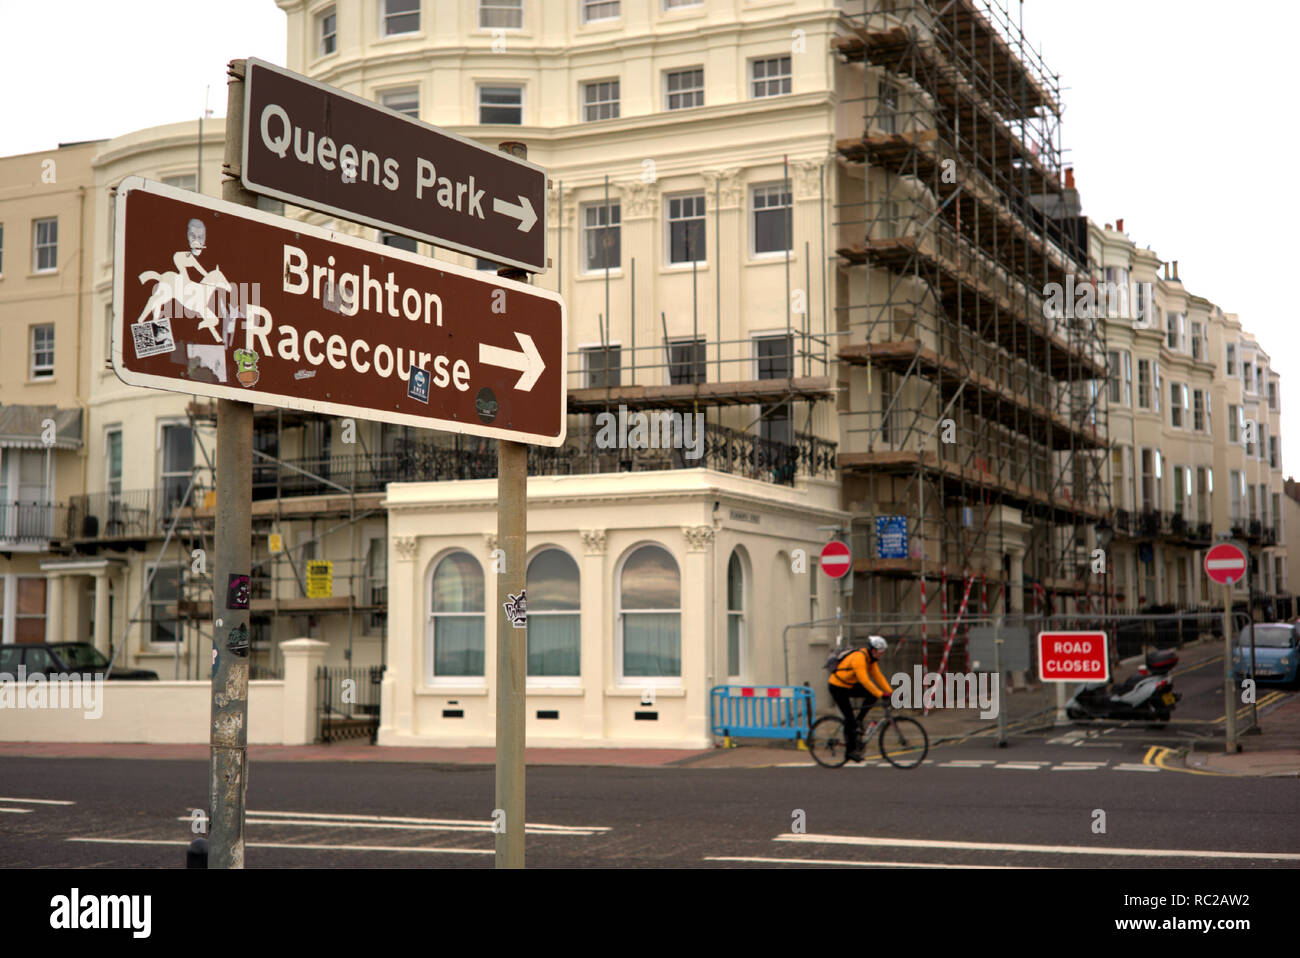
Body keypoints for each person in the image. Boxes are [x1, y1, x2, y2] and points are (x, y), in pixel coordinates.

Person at [827, 635, 893, 761]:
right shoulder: (859, 658)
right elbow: (864, 680)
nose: (882, 655)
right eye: (881, 652)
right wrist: (881, 694)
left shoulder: (870, 659)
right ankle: (850, 751)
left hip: (848, 685)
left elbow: (878, 677)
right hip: (837, 687)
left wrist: (891, 692)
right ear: (873, 650)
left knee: (871, 695)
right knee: (849, 719)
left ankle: (859, 720)